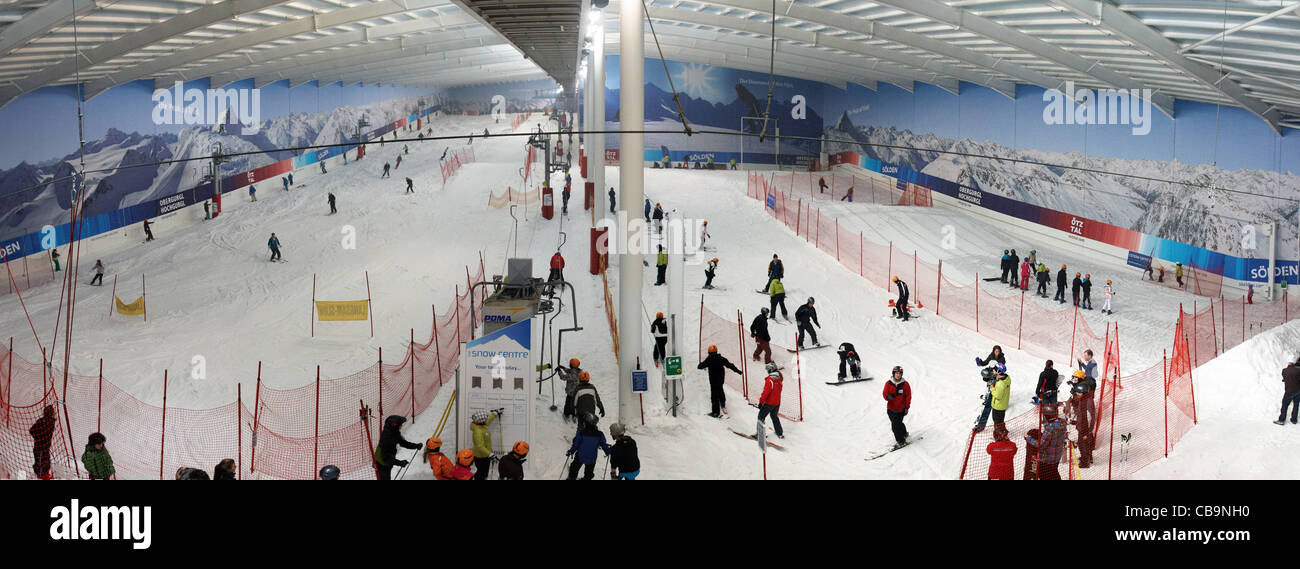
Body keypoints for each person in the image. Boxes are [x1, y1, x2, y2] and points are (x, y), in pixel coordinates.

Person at [697, 344, 742, 418]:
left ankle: (715, 412)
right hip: (720, 379)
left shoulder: (709, 359)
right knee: (720, 389)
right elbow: (730, 365)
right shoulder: (721, 358)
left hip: (713, 379)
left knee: (714, 395)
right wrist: (738, 371)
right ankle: (723, 403)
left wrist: (700, 364)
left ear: (709, 353)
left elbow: (700, 366)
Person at [373, 415, 422, 480]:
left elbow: (403, 443)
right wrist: (400, 463)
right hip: (382, 464)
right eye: (400, 425)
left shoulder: (394, 433)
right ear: (394, 426)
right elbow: (386, 458)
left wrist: (415, 446)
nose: (401, 426)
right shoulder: (387, 439)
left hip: (387, 460)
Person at [566, 413, 610, 480]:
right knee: (589, 472)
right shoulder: (600, 434)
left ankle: (571, 478)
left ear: (587, 423)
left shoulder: (581, 433)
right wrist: (608, 451)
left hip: (580, 455)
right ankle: (587, 478)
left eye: (584, 422)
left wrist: (571, 451)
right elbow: (604, 445)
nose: (583, 423)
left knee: (574, 468)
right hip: (591, 458)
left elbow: (576, 444)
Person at [883, 366, 911, 448]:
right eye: (897, 373)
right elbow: (884, 393)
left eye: (900, 373)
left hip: (900, 410)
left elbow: (908, 396)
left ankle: (901, 441)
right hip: (890, 409)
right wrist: (888, 397)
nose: (898, 375)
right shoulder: (888, 383)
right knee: (898, 424)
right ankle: (904, 433)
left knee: (895, 426)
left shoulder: (905, 384)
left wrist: (907, 407)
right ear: (893, 373)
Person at [470, 409, 502, 480]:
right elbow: (479, 446)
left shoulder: (480, 425)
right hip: (481, 456)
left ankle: (483, 477)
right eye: (485, 419)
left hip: (485, 455)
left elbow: (488, 421)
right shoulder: (478, 432)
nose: (486, 420)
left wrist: (494, 413)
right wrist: (490, 454)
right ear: (481, 421)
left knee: (484, 472)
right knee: (482, 472)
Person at [1038, 404, 1068, 480]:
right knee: (1054, 473)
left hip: (1047, 460)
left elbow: (1041, 445)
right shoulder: (1062, 423)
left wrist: (1028, 438)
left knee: (1044, 476)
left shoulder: (1050, 429)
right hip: (1056, 457)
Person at [757, 363, 785, 439]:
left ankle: (760, 434)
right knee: (774, 416)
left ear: (770, 370)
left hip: (769, 403)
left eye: (768, 370)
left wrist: (761, 402)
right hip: (777, 403)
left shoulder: (770, 380)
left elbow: (766, 393)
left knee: (761, 416)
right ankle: (780, 433)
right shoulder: (779, 378)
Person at [31, 405, 57, 479]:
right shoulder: (50, 422)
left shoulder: (44, 421)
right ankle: (41, 475)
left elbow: (32, 430)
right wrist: (38, 438)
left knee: (45, 461)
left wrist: (37, 437)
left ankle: (44, 474)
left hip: (42, 446)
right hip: (40, 447)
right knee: (41, 462)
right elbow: (32, 430)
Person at [973, 364, 1000, 432]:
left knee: (996, 414)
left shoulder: (1000, 375)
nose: (991, 370)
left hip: (997, 396)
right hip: (991, 392)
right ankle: (981, 425)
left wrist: (993, 383)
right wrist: (987, 377)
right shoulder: (991, 370)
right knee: (986, 408)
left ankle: (999, 431)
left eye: (993, 369)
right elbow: (985, 378)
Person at [1277, 353, 1300, 425]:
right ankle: (1294, 419)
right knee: (1296, 404)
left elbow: (1284, 378)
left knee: (1285, 404)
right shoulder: (1298, 371)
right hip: (1298, 390)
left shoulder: (1284, 370)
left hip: (1289, 390)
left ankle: (1281, 420)